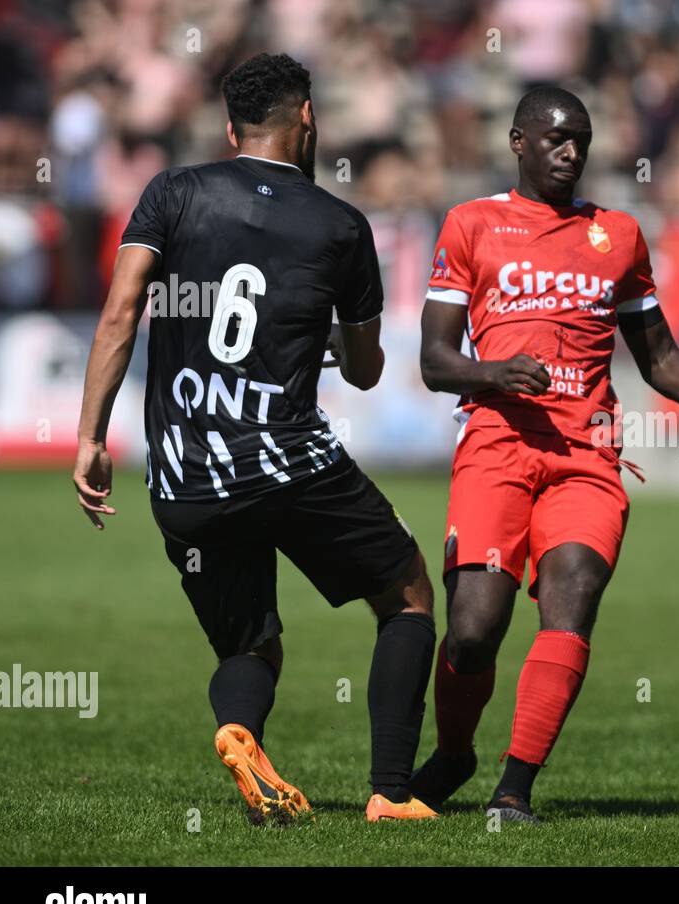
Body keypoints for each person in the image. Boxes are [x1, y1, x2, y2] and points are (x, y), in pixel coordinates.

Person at [417, 87, 679, 823]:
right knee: (473, 630)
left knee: (573, 599)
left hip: (587, 456)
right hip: (497, 445)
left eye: (582, 139)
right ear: (518, 141)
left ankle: (514, 789)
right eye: (556, 137)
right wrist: (493, 372)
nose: (572, 150)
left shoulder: (620, 236)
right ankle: (454, 753)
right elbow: (435, 360)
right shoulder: (470, 224)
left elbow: (659, 358)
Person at [72, 53, 439, 825]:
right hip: (287, 465)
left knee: (250, 645)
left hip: (184, 480)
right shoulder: (341, 225)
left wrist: (90, 438)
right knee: (407, 595)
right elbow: (369, 371)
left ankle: (239, 729)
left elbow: (120, 313)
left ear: (229, 127)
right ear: (308, 119)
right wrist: (330, 343)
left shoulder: (174, 192)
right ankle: (392, 794)